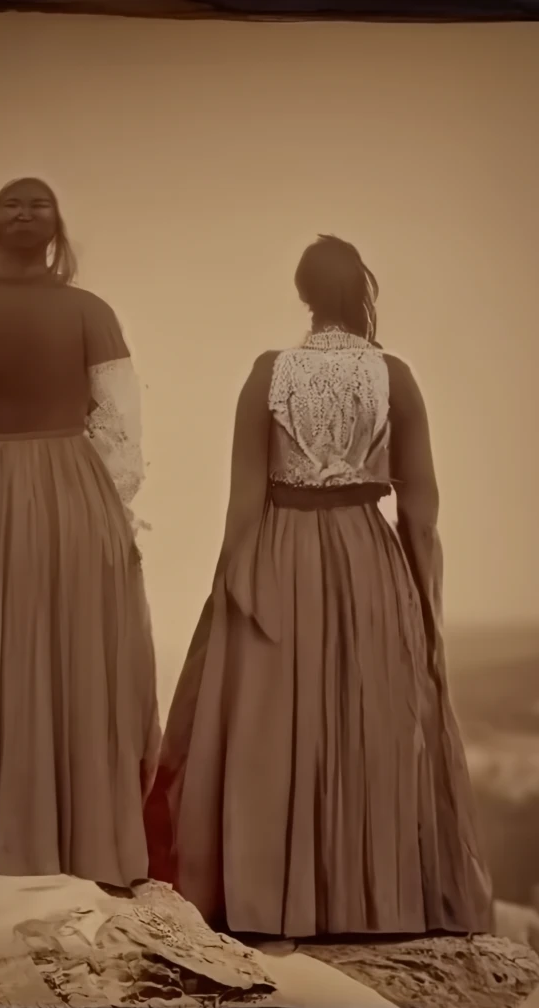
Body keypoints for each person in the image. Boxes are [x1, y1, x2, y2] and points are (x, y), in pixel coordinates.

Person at [143, 234, 493, 937]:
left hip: (280, 552)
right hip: (368, 553)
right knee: (372, 724)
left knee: (272, 729)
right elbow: (421, 512)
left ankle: (266, 904)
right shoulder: (395, 375)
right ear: (359, 291)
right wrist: (426, 604)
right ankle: (374, 906)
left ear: (303, 294)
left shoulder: (267, 372)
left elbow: (243, 503)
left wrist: (229, 591)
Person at [0, 177, 161, 889]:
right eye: (11, 201)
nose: (23, 210)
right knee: (65, 652)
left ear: (57, 222)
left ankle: (26, 848)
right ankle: (54, 846)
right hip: (44, 492)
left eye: (36, 201)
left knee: (9, 650)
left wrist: (107, 504)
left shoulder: (85, 310)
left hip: (19, 497)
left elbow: (119, 417)